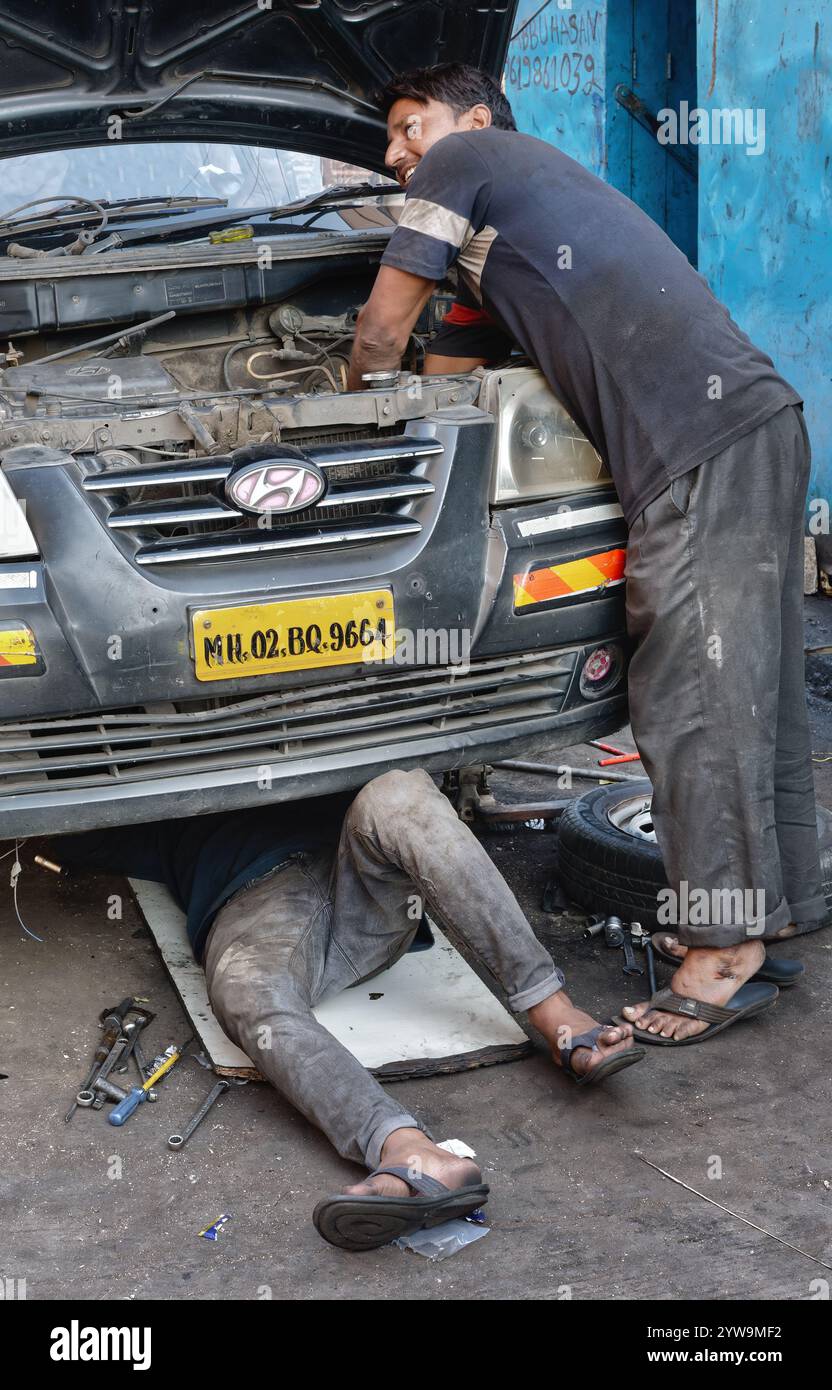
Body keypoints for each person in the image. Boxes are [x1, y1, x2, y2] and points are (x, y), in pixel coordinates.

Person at [346, 61, 826, 1046]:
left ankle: (719, 947)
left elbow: (385, 328)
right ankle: (771, 924)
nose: (394, 153)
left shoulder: (468, 159)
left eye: (408, 128)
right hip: (759, 426)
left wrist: (348, 409)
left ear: (472, 120)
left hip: (697, 452)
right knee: (755, 689)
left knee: (692, 694)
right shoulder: (513, 232)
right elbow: (448, 377)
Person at [53, 769, 640, 1251]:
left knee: (400, 794)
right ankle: (408, 1152)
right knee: (244, 990)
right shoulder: (157, 793)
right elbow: (63, 815)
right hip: (258, 905)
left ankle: (555, 1014)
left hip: (365, 879)